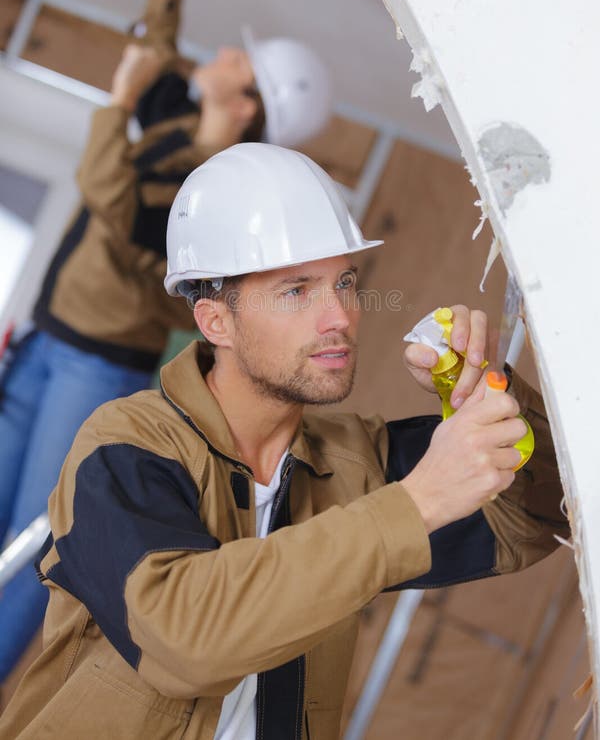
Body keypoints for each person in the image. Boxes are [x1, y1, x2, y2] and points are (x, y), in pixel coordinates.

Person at [0, 144, 568, 740]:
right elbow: (184, 643)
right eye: (297, 291)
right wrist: (417, 503)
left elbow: (538, 518)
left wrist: (488, 394)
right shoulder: (127, 447)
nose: (340, 316)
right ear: (216, 321)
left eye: (344, 283)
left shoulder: (354, 462)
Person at [0, 0, 332, 682]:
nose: (225, 51)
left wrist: (117, 103)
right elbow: (154, 49)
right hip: (49, 340)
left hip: (96, 366)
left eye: (242, 62)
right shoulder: (178, 122)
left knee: (31, 544)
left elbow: (111, 198)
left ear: (245, 107)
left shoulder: (210, 199)